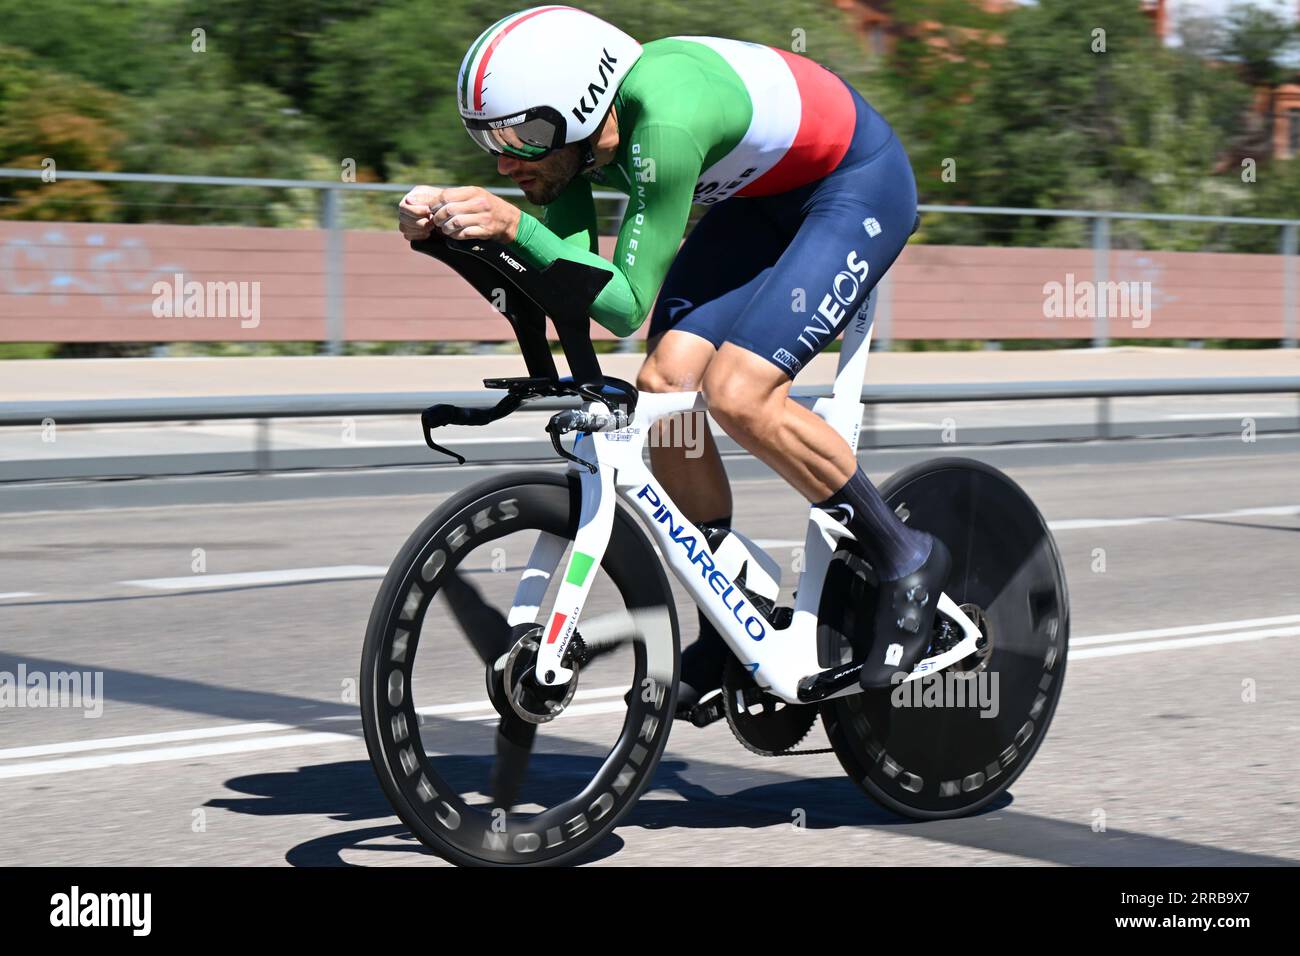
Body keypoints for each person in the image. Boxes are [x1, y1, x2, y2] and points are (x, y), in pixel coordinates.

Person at [398, 5, 950, 709]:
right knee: (664, 389)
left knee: (741, 394)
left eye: (522, 136)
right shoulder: (568, 145)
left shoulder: (664, 124)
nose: (506, 162)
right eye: (490, 141)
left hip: (856, 185)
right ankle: (731, 608)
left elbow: (624, 304)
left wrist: (511, 225)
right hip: (762, 200)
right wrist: (453, 232)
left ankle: (907, 556)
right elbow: (569, 276)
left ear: (584, 106)